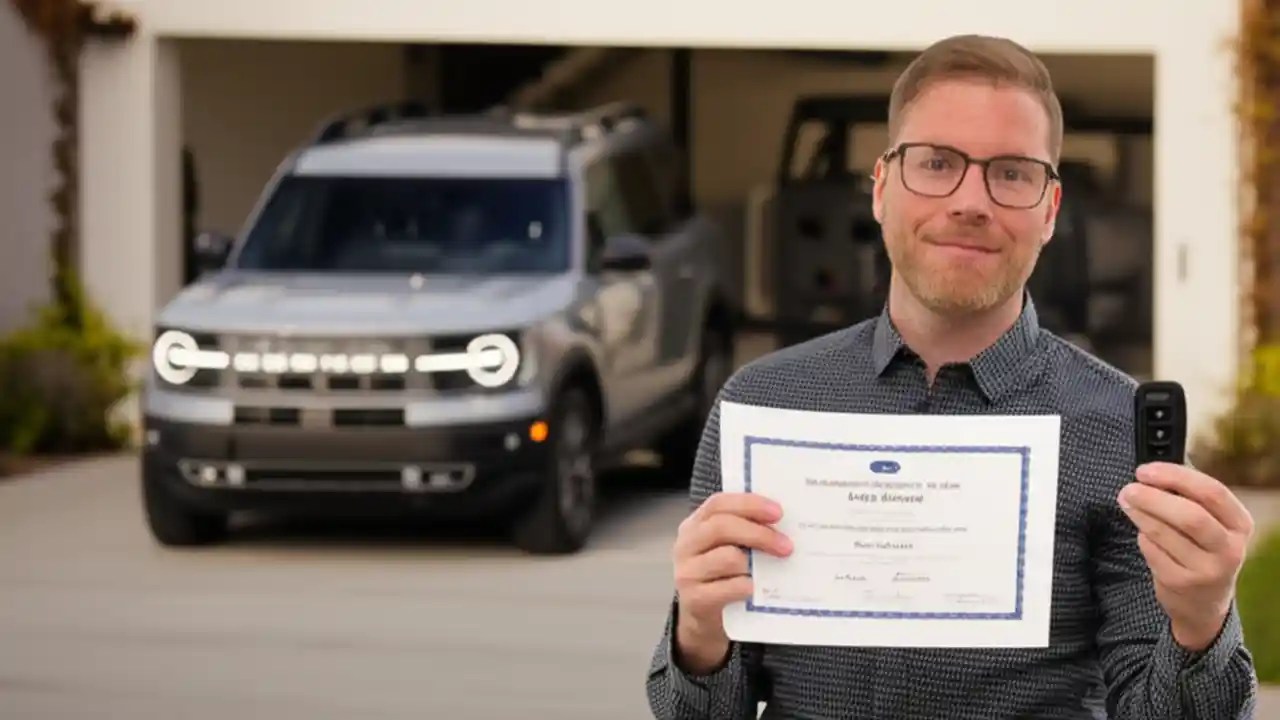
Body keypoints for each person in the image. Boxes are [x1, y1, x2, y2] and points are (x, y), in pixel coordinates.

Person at [645, 34, 1259, 719]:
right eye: (936, 163)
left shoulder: (1116, 433)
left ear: (1050, 210)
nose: (971, 200)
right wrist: (699, 637)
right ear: (881, 189)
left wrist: (1201, 624)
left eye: (1012, 172)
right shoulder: (760, 407)